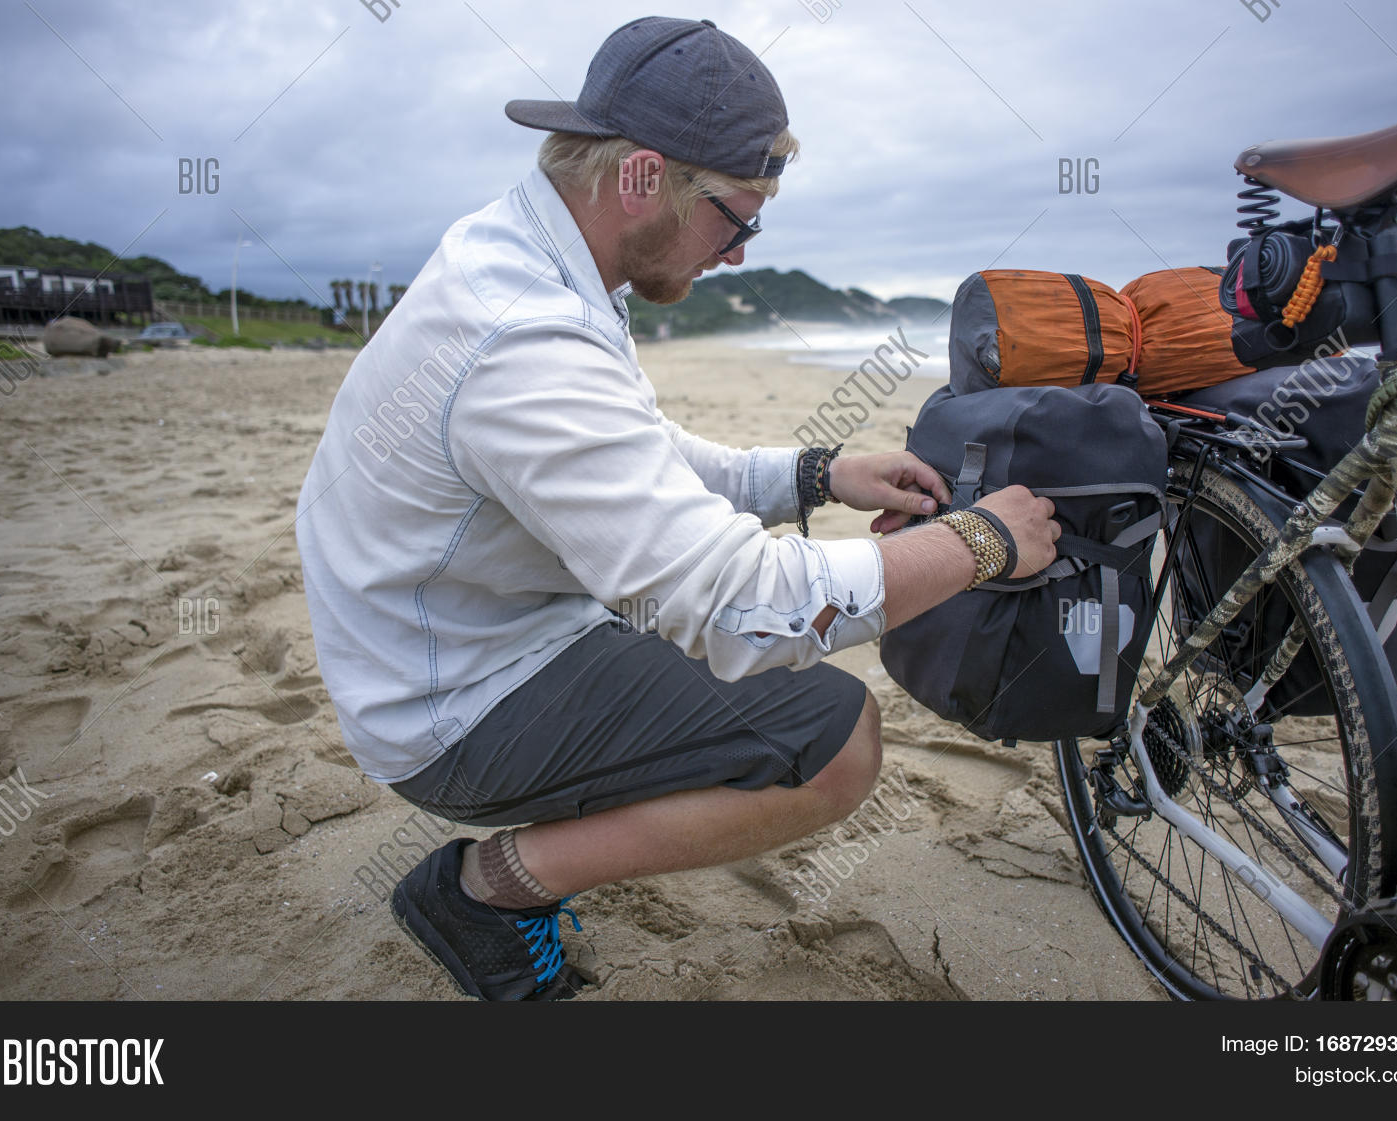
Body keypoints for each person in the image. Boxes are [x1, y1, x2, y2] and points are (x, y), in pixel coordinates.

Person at [295, 15, 1058, 1001]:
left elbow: (636, 456)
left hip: (452, 624)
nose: (740, 253)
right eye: (738, 218)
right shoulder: (522, 336)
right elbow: (742, 606)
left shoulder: (533, 251)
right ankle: (485, 891)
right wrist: (980, 542)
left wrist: (817, 474)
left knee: (757, 669)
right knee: (831, 740)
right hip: (450, 700)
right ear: (643, 176)